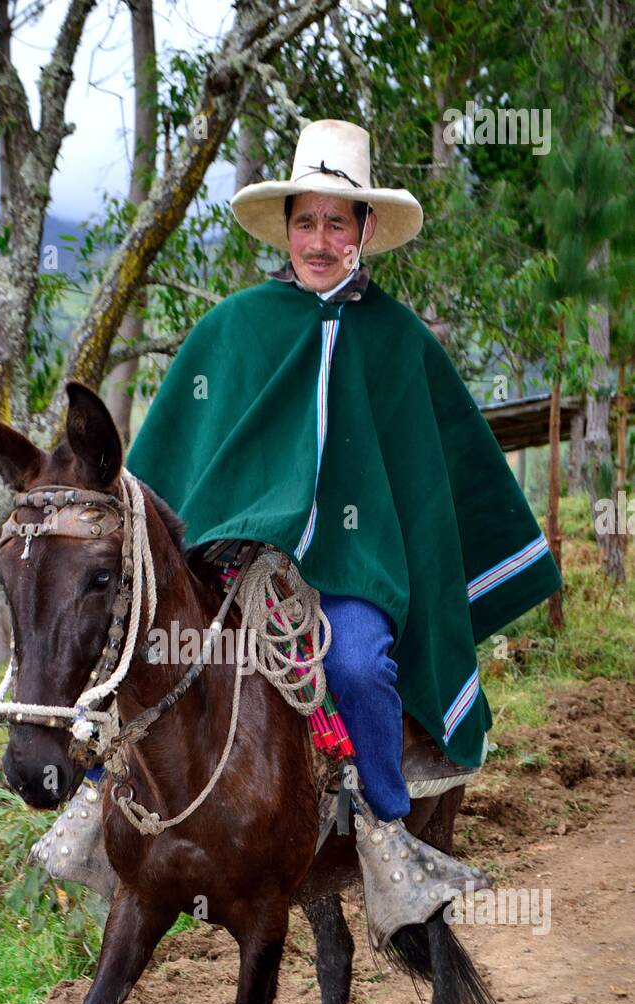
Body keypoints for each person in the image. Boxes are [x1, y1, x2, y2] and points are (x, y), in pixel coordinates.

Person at [32, 119, 561, 901]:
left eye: (337, 223)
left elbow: (445, 466)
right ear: (287, 230)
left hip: (351, 575)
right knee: (146, 648)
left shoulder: (399, 342)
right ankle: (95, 799)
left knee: (356, 662)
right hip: (230, 568)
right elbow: (167, 463)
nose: (319, 239)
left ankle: (386, 838)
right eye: (306, 221)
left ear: (365, 231)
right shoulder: (236, 329)